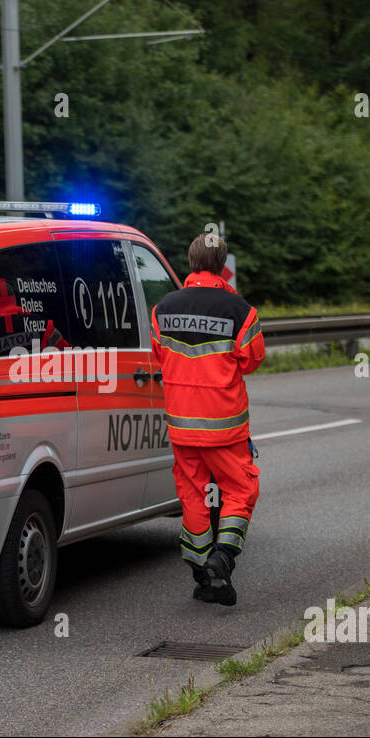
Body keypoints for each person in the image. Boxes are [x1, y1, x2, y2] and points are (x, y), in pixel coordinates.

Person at [150, 233, 265, 605]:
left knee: (192, 495)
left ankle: (203, 575)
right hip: (226, 428)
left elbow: (158, 355)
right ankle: (224, 557)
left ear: (191, 262)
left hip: (182, 426)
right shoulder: (240, 310)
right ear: (222, 265)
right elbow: (252, 359)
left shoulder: (163, 308)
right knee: (241, 490)